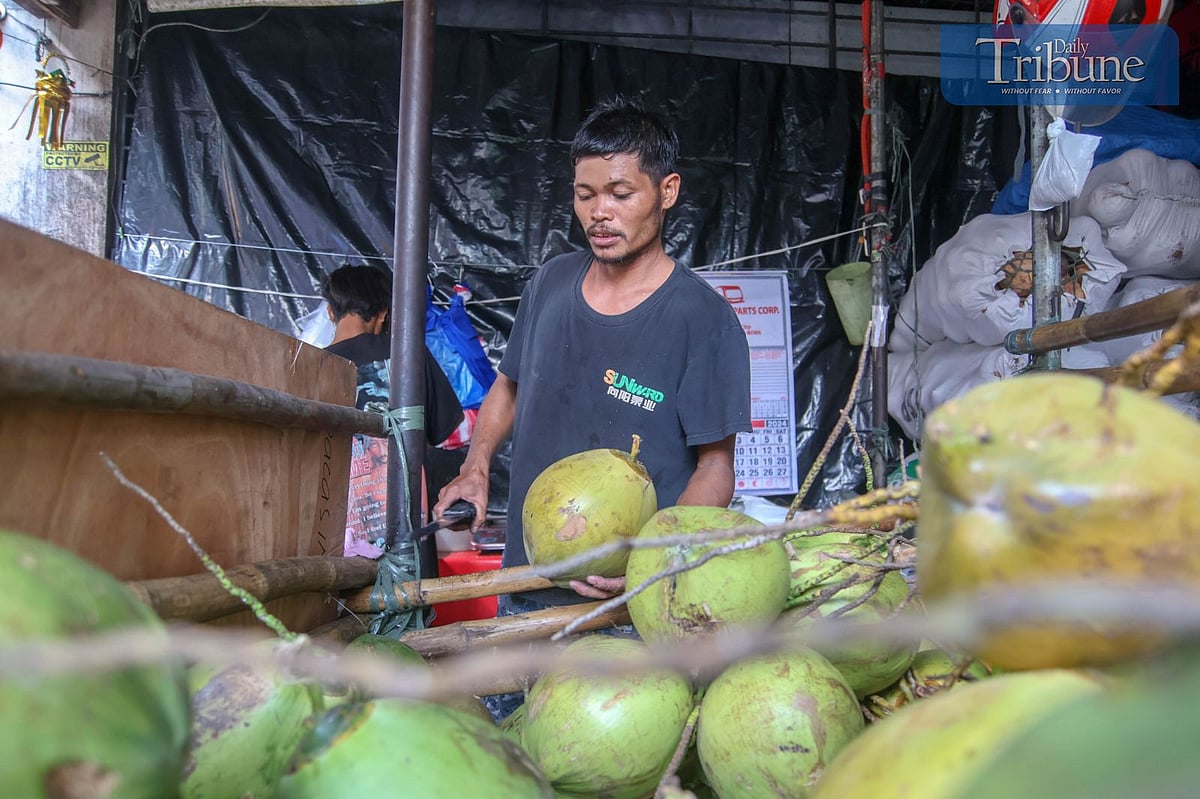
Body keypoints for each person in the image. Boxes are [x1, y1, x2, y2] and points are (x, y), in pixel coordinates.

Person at [433, 97, 752, 613]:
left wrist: (652, 564)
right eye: (585, 195)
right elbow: (508, 387)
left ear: (667, 191)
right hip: (526, 582)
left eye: (620, 194)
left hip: (625, 606)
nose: (599, 212)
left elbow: (715, 467)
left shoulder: (703, 319)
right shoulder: (550, 283)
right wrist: (476, 465)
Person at [320, 264, 464, 574]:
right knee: (410, 602)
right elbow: (443, 430)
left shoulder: (309, 365)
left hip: (329, 536)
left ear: (331, 312)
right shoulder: (407, 355)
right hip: (406, 533)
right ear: (384, 313)